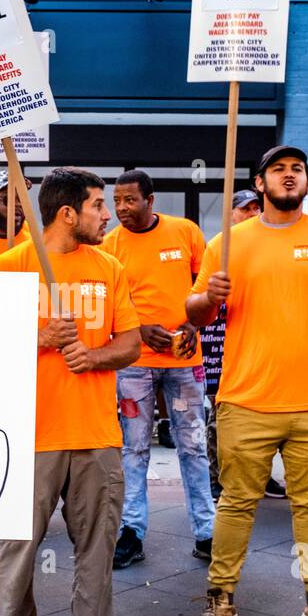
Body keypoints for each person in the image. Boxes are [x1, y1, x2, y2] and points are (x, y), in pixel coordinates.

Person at [186, 146, 308, 616]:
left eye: (297, 170)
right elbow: (195, 312)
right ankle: (220, 600)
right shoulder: (227, 244)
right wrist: (209, 297)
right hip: (245, 400)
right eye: (278, 170)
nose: (289, 176)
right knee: (234, 505)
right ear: (260, 182)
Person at [0, 166, 141, 616]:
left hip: (97, 434)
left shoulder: (109, 267)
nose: (108, 215)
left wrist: (93, 356)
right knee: (18, 547)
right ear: (68, 212)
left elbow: (132, 343)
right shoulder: (9, 267)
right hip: (28, 434)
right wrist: (39, 338)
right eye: (99, 205)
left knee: (97, 548)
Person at [100, 168, 215, 567]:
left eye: (129, 200)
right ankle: (131, 531)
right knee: (133, 449)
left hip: (185, 360)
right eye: (116, 201)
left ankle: (207, 532)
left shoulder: (185, 232)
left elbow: (205, 293)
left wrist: (192, 324)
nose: (120, 209)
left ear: (151, 200)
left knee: (193, 447)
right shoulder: (109, 245)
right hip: (134, 364)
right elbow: (108, 306)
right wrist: (139, 330)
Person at [201, 188, 287, 502]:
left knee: (265, 416)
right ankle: (216, 478)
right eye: (244, 209)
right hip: (219, 346)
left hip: (262, 347)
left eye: (255, 208)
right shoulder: (219, 249)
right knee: (220, 416)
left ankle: (260, 476)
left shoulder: (270, 249)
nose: (251, 214)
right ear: (230, 214)